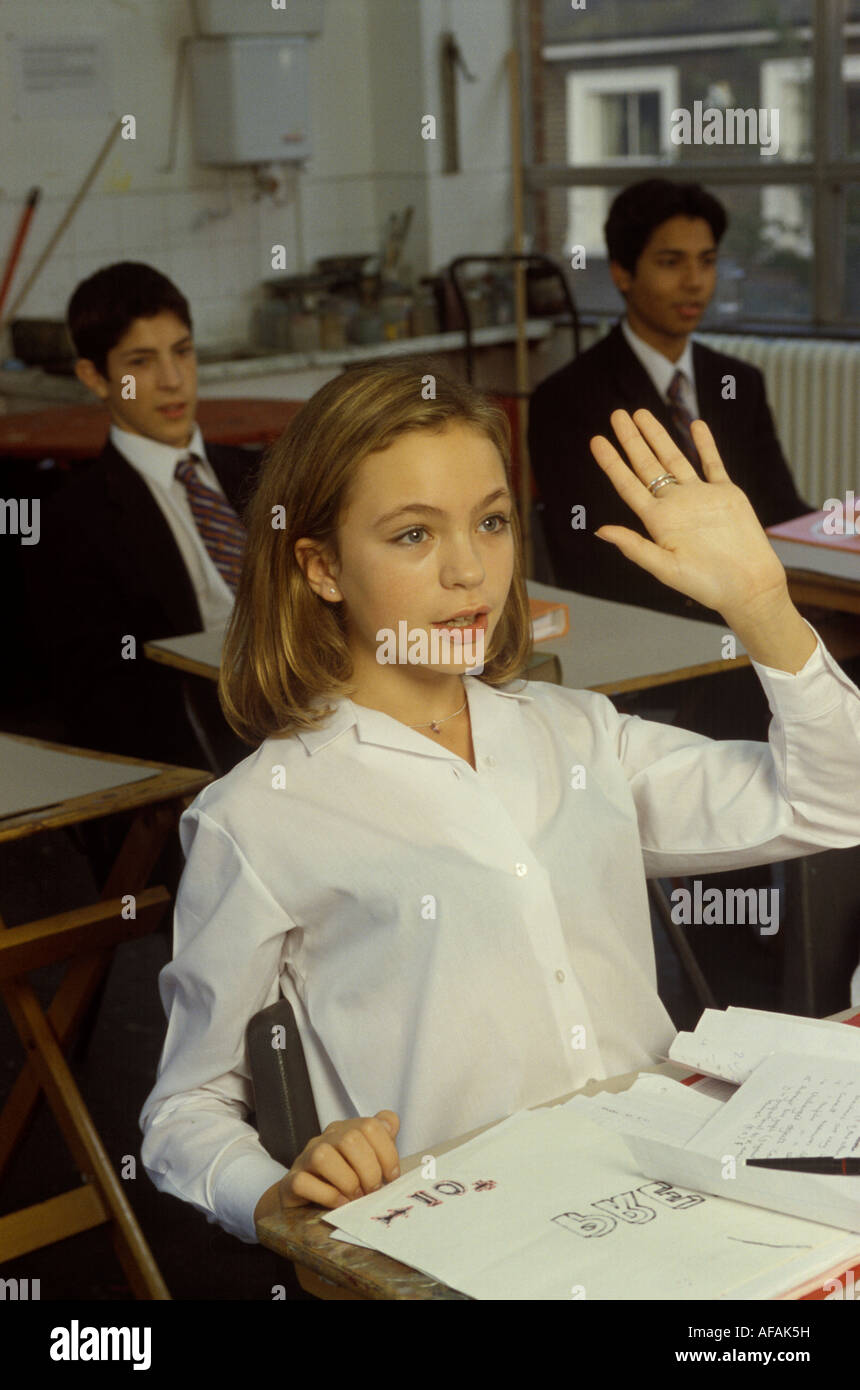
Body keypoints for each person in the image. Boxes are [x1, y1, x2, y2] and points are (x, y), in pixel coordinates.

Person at [139, 359, 860, 1245]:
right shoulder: (258, 817)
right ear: (321, 565)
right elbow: (184, 1110)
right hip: (477, 1242)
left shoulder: (581, 734)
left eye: (491, 522)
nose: (469, 570)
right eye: (412, 535)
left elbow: (835, 804)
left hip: (671, 1197)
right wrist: (276, 1192)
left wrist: (763, 605)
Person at [528, 179, 812, 623]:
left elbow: (781, 511)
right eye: (670, 262)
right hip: (656, 620)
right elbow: (589, 551)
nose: (694, 282)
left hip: (757, 606)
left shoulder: (739, 382)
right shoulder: (568, 398)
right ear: (622, 272)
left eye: (707, 261)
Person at [28, 261, 259, 769]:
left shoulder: (263, 473)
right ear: (95, 377)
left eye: (182, 352)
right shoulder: (71, 523)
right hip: (209, 744)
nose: (173, 380)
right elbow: (101, 698)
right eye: (141, 363)